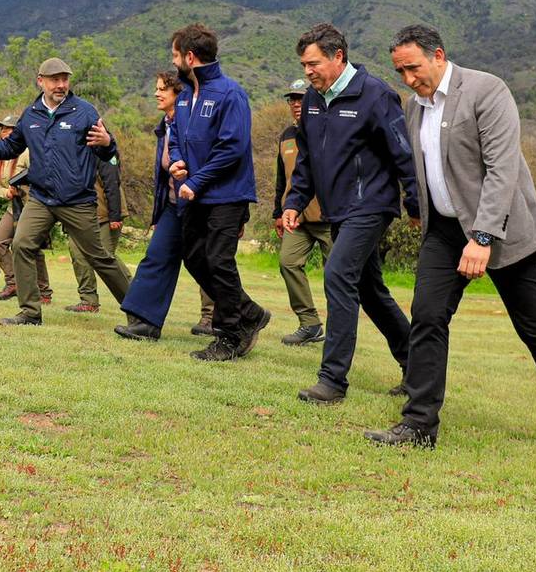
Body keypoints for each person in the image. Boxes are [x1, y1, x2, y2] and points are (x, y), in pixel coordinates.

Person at [369, 24, 536, 451]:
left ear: (439, 55)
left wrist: (482, 236)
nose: (408, 79)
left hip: (503, 229)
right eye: (400, 71)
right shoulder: (415, 107)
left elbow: (501, 170)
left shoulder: (487, 91)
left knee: (535, 327)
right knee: (427, 317)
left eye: (413, 68)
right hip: (444, 231)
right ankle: (418, 425)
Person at [282, 25, 417, 405]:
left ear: (338, 56)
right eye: (304, 65)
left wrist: (416, 205)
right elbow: (307, 160)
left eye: (313, 63)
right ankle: (416, 366)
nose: (308, 71)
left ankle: (332, 381)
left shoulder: (375, 94)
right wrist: (294, 202)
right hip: (337, 209)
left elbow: (403, 153)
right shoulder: (313, 100)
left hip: (371, 204)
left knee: (338, 274)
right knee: (370, 291)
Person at [0, 57, 131, 325]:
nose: (61, 85)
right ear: (41, 81)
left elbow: (109, 155)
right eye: (55, 80)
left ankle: (140, 313)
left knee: (99, 257)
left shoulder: (84, 112)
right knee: (21, 245)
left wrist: (108, 143)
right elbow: (9, 148)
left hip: (77, 201)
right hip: (40, 199)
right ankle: (30, 312)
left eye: (65, 79)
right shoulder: (31, 115)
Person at [167, 23, 269, 361]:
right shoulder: (184, 96)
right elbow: (176, 136)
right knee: (194, 257)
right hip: (195, 195)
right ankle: (250, 313)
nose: (173, 62)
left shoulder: (230, 94)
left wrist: (196, 181)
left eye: (175, 55)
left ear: (190, 57)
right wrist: (178, 161)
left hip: (227, 194)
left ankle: (228, 336)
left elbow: (232, 148)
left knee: (219, 260)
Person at [114, 70, 206, 340]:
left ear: (179, 94)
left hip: (197, 205)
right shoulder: (164, 125)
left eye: (163, 89)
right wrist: (158, 213)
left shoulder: (192, 124)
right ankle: (144, 321)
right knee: (156, 256)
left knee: (207, 262)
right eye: (156, 88)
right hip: (172, 206)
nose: (156, 93)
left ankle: (237, 318)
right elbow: (163, 177)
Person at [273, 78, 333, 346]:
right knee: (288, 263)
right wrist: (278, 211)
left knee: (336, 274)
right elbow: (281, 178)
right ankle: (309, 323)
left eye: (301, 98)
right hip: (296, 218)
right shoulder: (286, 135)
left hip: (328, 217)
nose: (296, 104)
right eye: (292, 99)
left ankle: (339, 330)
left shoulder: (326, 127)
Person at [0, 115, 54, 304]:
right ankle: (13, 283)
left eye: (8, 129)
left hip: (32, 206)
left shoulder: (27, 152)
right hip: (14, 207)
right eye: (2, 129)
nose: (3, 132)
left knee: (32, 248)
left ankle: (44, 291)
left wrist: (22, 187)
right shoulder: (2, 156)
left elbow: (41, 176)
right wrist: (7, 193)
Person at [64, 144, 125, 313]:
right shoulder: (72, 150)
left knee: (105, 256)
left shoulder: (104, 150)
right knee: (77, 253)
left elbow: (112, 183)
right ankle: (88, 300)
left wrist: (115, 215)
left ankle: (135, 295)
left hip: (106, 212)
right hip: (82, 214)